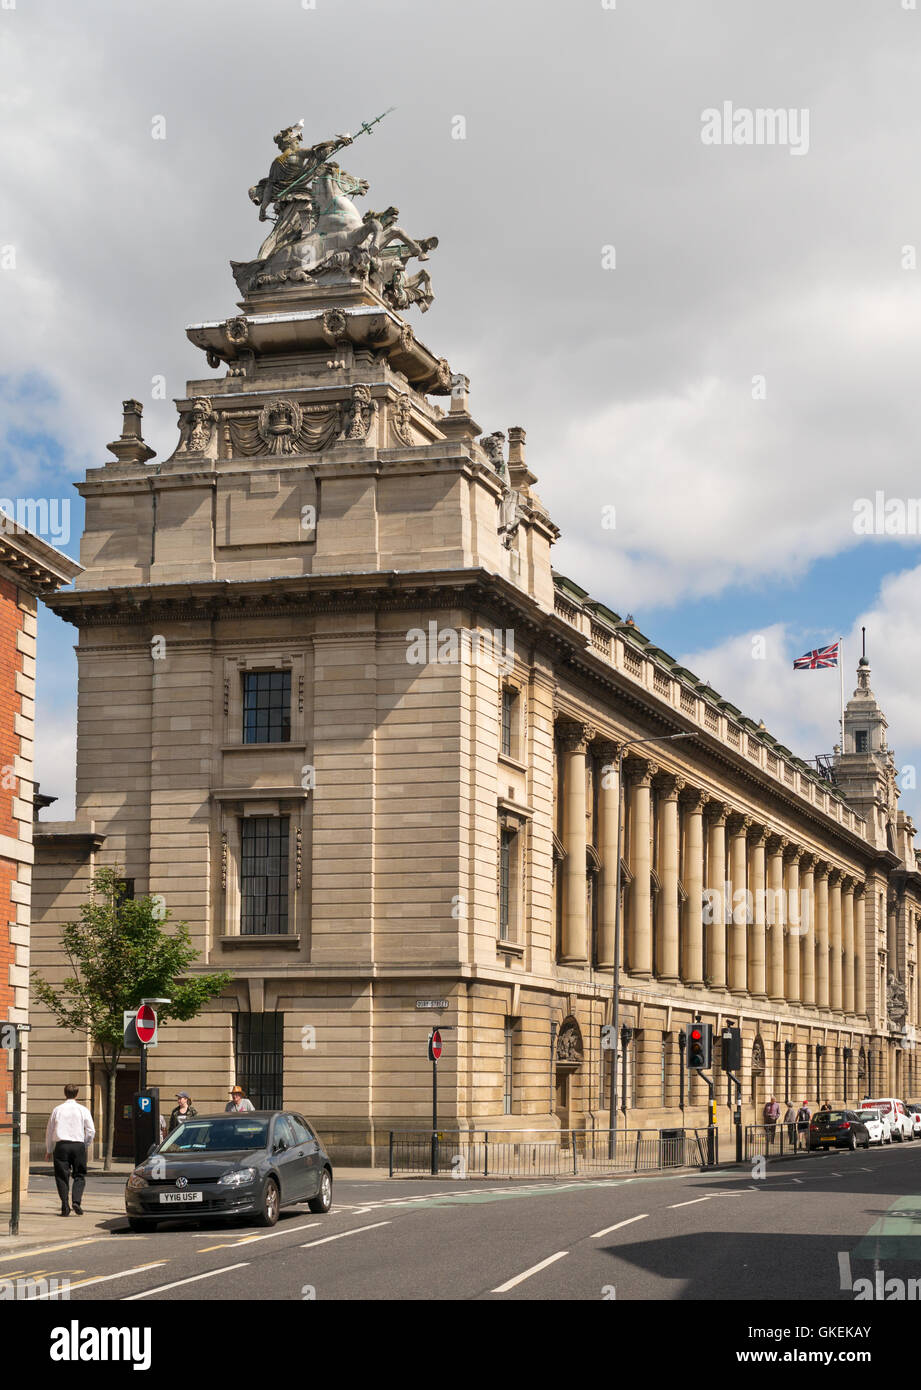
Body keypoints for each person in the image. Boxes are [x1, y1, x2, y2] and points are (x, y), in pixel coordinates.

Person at [44, 1084, 95, 1217]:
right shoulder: (83, 1109)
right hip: (78, 1145)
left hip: (61, 1146)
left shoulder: (57, 1110)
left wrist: (49, 1149)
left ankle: (65, 1205)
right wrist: (85, 1144)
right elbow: (91, 1130)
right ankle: (76, 1201)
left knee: (61, 1176)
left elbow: (49, 1131)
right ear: (77, 1094)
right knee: (80, 1175)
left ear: (65, 1093)